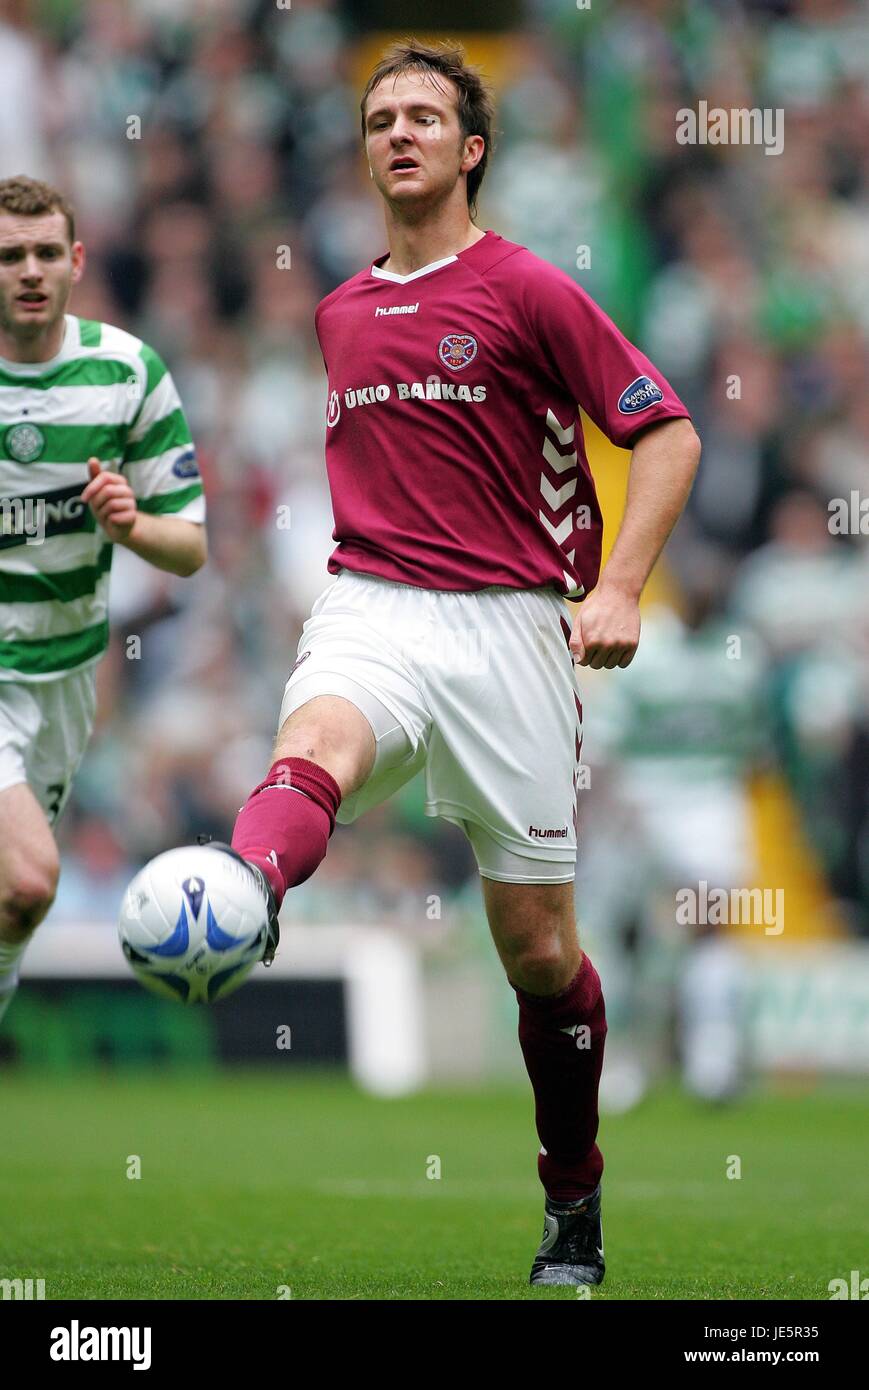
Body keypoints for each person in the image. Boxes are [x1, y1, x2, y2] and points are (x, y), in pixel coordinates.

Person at [213, 40, 700, 1286]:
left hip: (513, 632)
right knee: (308, 745)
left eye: (425, 115)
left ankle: (572, 1199)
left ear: (469, 148)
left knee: (537, 953)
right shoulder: (336, 312)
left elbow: (667, 433)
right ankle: (244, 893)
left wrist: (620, 586)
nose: (400, 134)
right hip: (372, 604)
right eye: (380, 118)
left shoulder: (529, 290)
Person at [0, 175, 207, 1028]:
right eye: (10, 255)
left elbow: (189, 546)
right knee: (30, 876)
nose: (30, 270)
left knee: (17, 907)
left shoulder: (127, 371)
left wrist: (132, 525)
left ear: (77, 260)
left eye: (47, 252)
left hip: (68, 676)